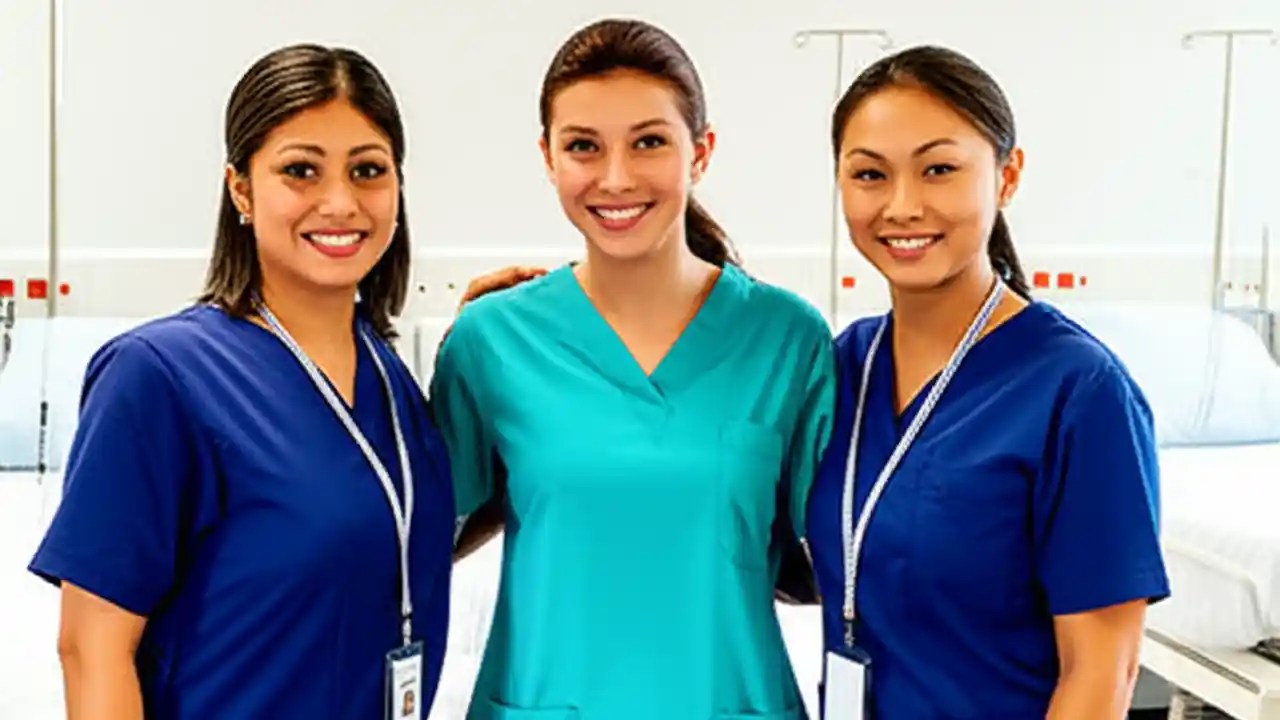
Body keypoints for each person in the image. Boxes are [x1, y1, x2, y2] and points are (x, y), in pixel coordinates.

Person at [27, 44, 454, 719]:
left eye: (368, 170)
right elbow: (91, 649)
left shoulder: (387, 376)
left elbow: (389, 544)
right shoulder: (159, 378)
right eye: (301, 171)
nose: (340, 202)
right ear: (241, 190)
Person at [429, 18, 836, 720]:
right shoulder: (491, 340)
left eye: (649, 142)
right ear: (548, 157)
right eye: (583, 146)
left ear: (700, 152)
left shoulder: (785, 339)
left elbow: (841, 558)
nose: (615, 178)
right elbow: (412, 536)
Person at [804, 46, 1171, 718]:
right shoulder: (845, 365)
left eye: (939, 169)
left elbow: (1101, 676)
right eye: (869, 175)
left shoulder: (1077, 393)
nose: (902, 205)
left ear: (1007, 176)